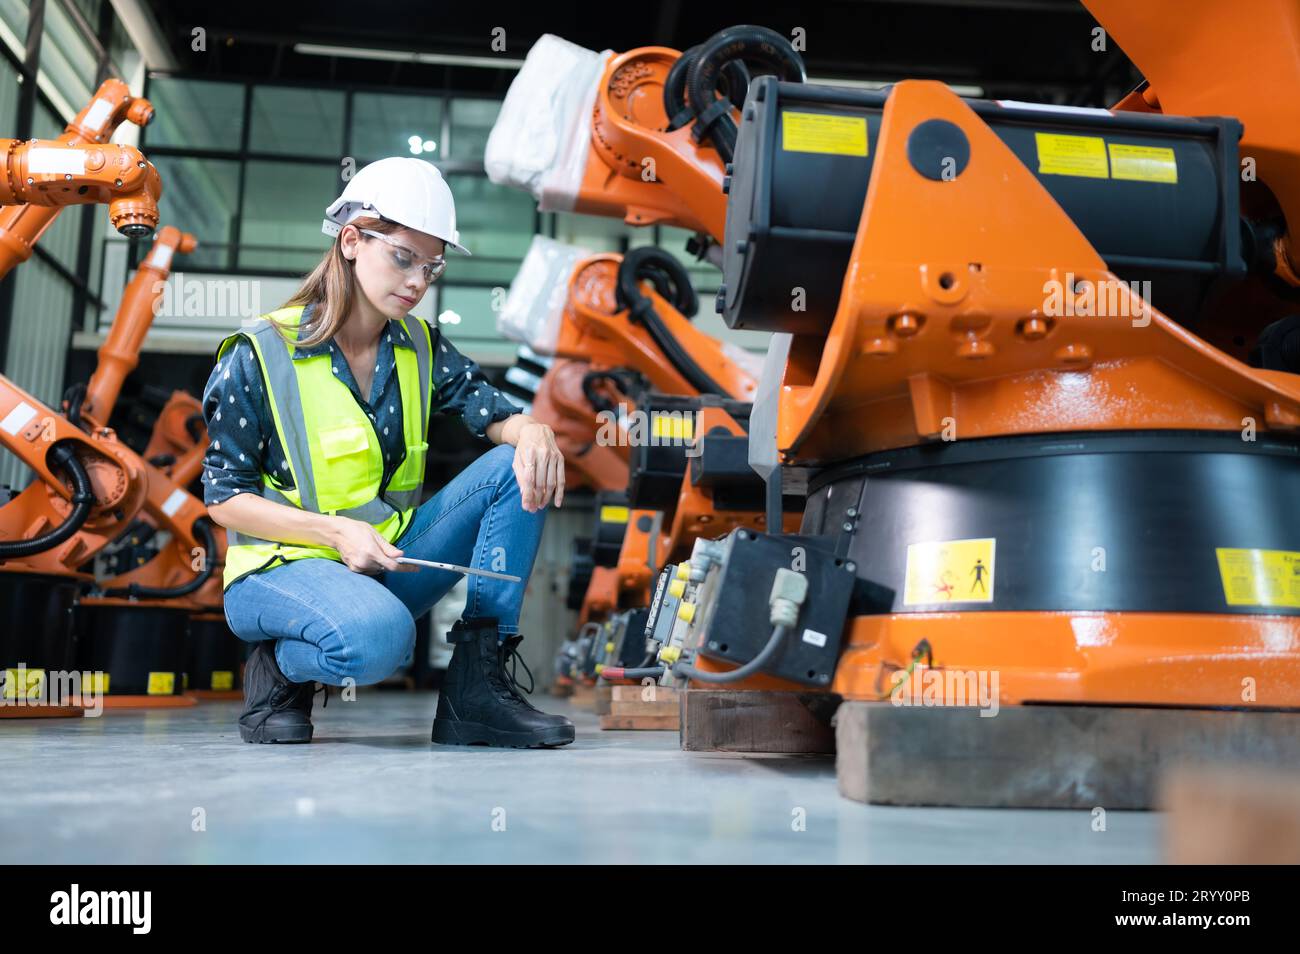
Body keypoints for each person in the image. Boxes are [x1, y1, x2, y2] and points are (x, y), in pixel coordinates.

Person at [200, 156, 575, 748]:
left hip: (385, 557)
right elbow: (224, 498)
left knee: (514, 464)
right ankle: (280, 667)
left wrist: (529, 430)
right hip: (280, 570)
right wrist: (335, 534)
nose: (418, 281)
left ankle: (476, 685)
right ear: (350, 240)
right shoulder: (259, 352)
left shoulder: (421, 346)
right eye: (403, 258)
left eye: (431, 266)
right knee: (381, 643)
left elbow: (489, 411)